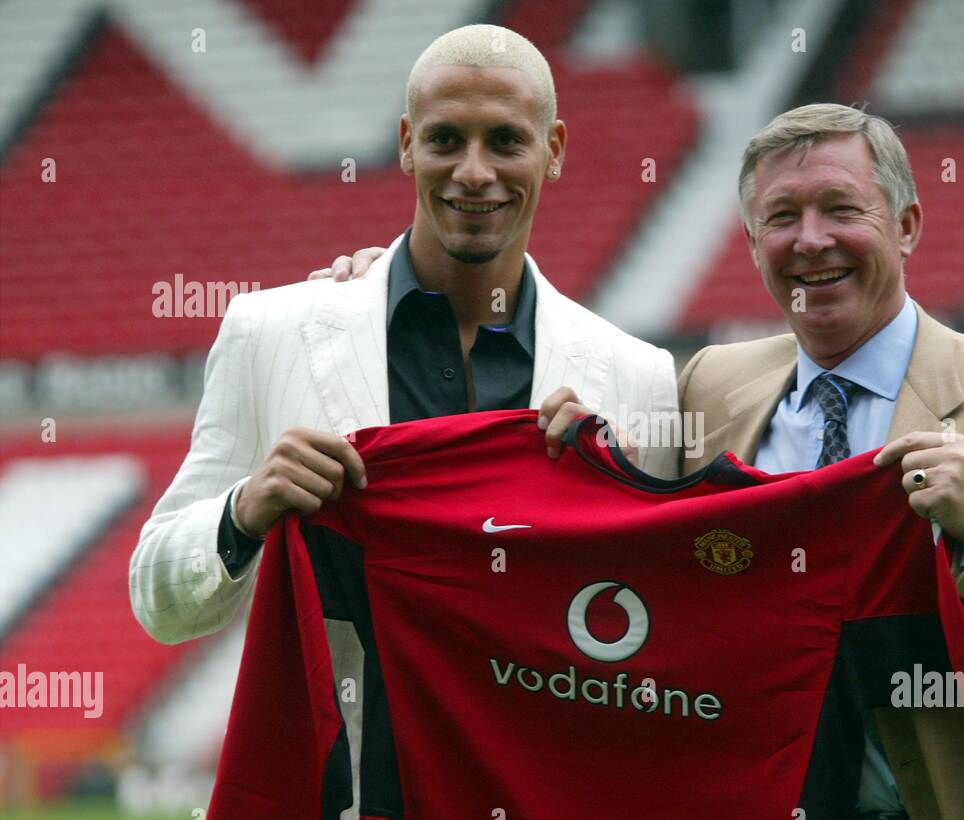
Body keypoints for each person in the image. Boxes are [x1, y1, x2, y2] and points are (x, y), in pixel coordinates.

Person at [319, 104, 964, 820]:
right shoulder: (711, 388)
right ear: (753, 242)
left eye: (842, 209)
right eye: (782, 218)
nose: (811, 241)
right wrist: (391, 287)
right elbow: (634, 544)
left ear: (908, 223)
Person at [129, 23, 677, 648]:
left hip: (536, 745)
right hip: (349, 747)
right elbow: (157, 604)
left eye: (505, 141)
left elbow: (654, 634)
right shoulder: (268, 334)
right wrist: (244, 511)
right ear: (407, 143)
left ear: (553, 150)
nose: (474, 172)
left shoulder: (638, 376)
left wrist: (623, 508)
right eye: (446, 139)